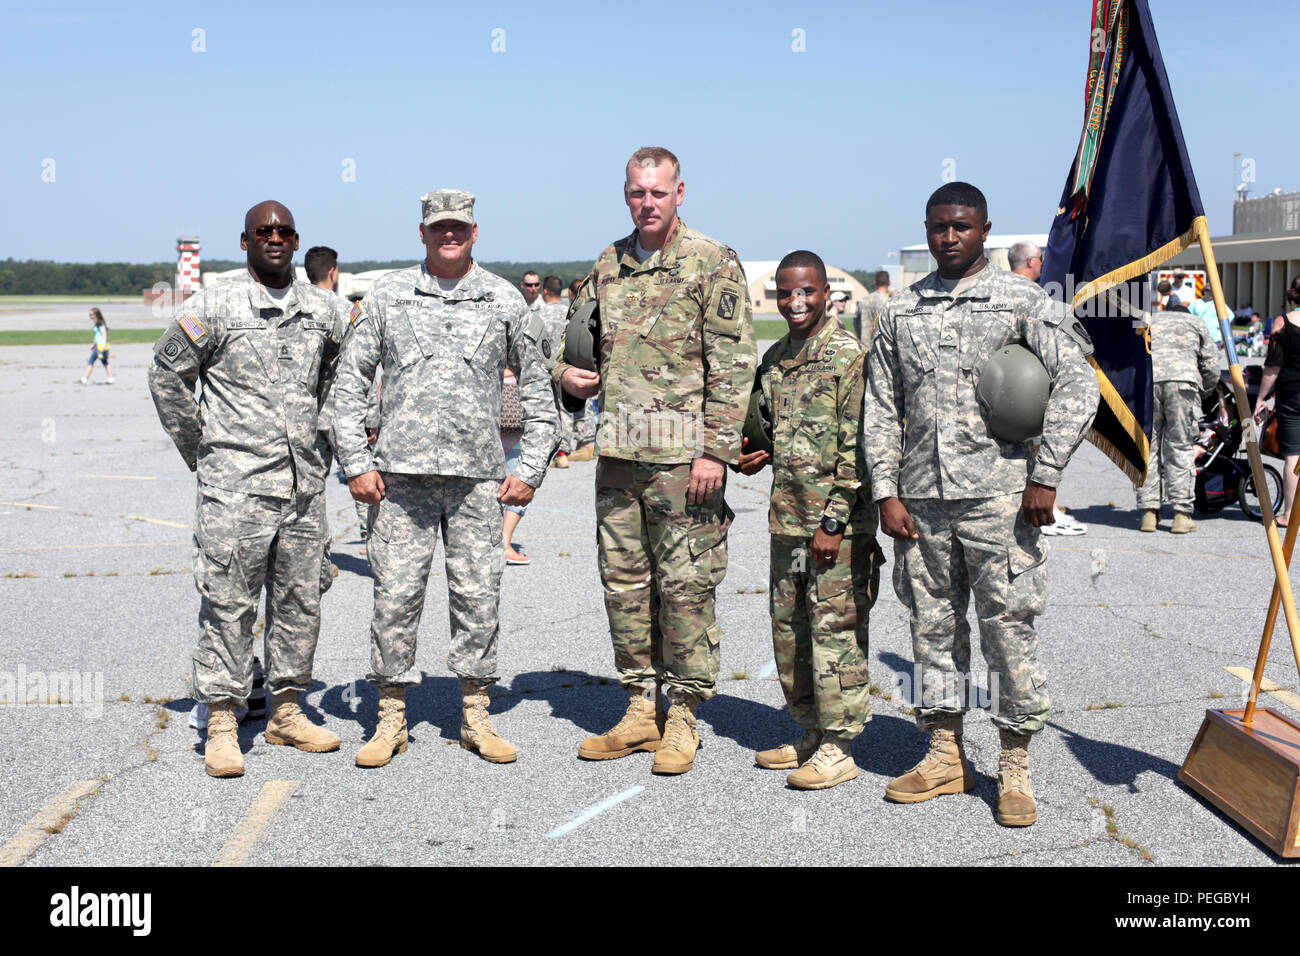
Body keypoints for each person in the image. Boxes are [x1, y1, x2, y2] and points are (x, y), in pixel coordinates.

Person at [863, 182, 1098, 826]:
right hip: (922, 503)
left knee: (1007, 631)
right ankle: (943, 753)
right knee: (930, 630)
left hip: (1001, 501)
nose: (949, 237)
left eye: (961, 227)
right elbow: (881, 406)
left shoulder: (1021, 301)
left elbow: (1080, 383)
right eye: (938, 226)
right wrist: (885, 489)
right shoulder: (900, 312)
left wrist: (1045, 473)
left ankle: (1014, 764)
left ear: (984, 230)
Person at [332, 189, 557, 768]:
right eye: (438, 228)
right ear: (423, 233)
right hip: (399, 482)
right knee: (395, 599)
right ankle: (389, 719)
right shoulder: (389, 296)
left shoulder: (505, 300)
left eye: (458, 227)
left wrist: (528, 470)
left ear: (475, 232)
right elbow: (348, 385)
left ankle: (475, 716)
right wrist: (356, 463)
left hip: (477, 482)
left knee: (479, 598)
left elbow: (538, 391)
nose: (448, 235)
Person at [554, 146, 757, 775]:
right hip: (617, 456)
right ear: (626, 194)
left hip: (683, 460)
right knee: (625, 587)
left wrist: (715, 452)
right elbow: (572, 340)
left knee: (687, 588)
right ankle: (641, 708)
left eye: (658, 193)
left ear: (680, 193)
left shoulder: (712, 261)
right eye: (637, 192)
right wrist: (567, 375)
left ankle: (685, 717)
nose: (647, 203)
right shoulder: (607, 262)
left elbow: (733, 363)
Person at [148, 200, 348, 778]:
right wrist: (204, 452)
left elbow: (342, 375)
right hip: (235, 488)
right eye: (265, 231)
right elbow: (167, 375)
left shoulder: (324, 308)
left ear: (296, 239)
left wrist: (325, 441)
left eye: (285, 231)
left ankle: (287, 711)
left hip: (303, 488)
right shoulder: (212, 304)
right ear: (244, 241)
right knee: (228, 605)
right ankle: (220, 721)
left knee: (300, 601)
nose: (276, 239)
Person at [736, 251, 882, 790]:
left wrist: (834, 521)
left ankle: (840, 746)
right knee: (790, 631)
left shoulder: (848, 356)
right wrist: (754, 455)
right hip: (788, 522)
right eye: (786, 292)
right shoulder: (774, 359)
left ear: (827, 294)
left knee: (835, 630)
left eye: (807, 291)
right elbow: (771, 432)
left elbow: (859, 448)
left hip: (835, 527)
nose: (796, 302)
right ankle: (809, 732)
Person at [1136, 299, 1220, 532]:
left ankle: (1148, 514)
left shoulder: (1150, 320)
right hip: (1183, 386)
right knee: (1180, 448)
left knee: (1147, 449)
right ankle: (1181, 515)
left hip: (1148, 386)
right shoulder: (1195, 322)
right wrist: (1207, 391)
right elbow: (1212, 363)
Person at [1255, 278, 1300, 527]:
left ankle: (1289, 514)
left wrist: (1262, 396)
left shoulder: (1284, 321)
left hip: (1292, 392)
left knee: (1293, 454)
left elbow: (1273, 366)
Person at [854, 270, 892, 346]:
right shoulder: (889, 302)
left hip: (864, 346)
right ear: (889, 283)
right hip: (882, 348)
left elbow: (856, 322)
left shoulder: (863, 300)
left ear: (875, 283)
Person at [80, 308, 114, 384]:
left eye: (92, 314)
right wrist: (93, 344)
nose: (90, 316)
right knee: (104, 361)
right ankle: (110, 378)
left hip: (100, 346)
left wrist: (104, 343)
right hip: (97, 345)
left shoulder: (99, 323)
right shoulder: (98, 323)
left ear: (96, 314)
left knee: (91, 361)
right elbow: (97, 336)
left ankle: (85, 378)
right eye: (90, 314)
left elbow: (104, 333)